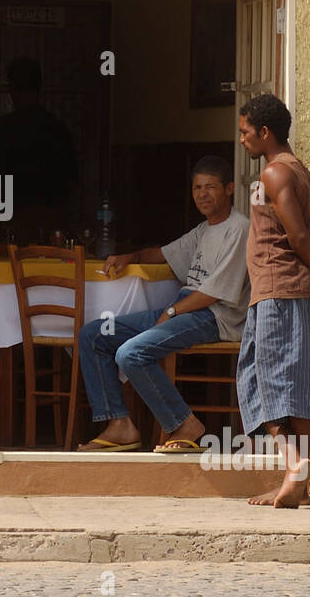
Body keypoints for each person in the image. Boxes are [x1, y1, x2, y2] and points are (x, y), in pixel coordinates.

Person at [76, 156, 251, 452]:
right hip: (186, 308)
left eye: (210, 187)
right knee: (94, 335)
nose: (202, 194)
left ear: (230, 189)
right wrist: (130, 257)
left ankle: (184, 423)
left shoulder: (239, 228)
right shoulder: (205, 229)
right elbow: (164, 254)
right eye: (197, 188)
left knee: (131, 353)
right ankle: (120, 425)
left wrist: (171, 312)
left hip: (213, 316)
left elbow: (214, 293)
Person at [236, 92, 310, 508]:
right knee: (292, 381)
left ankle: (294, 467)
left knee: (264, 379)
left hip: (278, 289)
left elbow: (300, 236)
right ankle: (300, 483)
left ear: (264, 132)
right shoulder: (300, 172)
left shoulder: (275, 173)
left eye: (245, 133)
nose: (242, 140)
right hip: (289, 290)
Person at [0, 57, 77, 240]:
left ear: (11, 90)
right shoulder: (58, 129)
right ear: (40, 89)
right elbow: (71, 180)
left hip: (8, 222)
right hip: (50, 223)